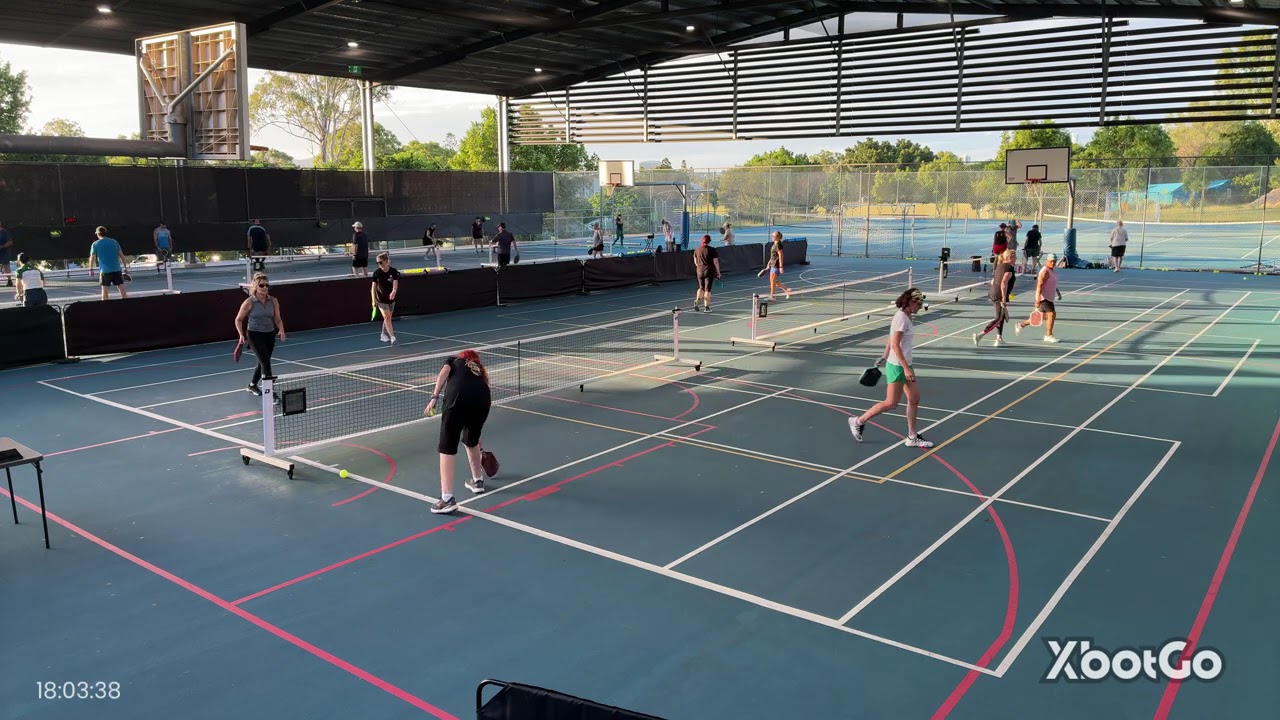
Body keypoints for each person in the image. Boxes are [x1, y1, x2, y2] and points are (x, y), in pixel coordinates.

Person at [849, 288, 934, 448]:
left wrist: (884, 355)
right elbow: (895, 343)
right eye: (918, 304)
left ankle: (912, 436)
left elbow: (891, 339)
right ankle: (858, 421)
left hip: (904, 364)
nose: (920, 307)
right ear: (909, 302)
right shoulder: (902, 317)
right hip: (898, 366)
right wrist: (905, 368)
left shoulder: (906, 315)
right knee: (891, 403)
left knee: (914, 398)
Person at [424, 349, 493, 514]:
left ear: (462, 356)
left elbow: (444, 373)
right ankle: (477, 481)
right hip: (483, 400)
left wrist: (434, 397)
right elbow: (475, 394)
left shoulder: (453, 361)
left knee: (447, 448)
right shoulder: (479, 372)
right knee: (472, 440)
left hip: (457, 398)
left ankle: (447, 499)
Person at [235, 272, 286, 396]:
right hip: (254, 334)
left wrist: (281, 330)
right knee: (265, 362)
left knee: (263, 361)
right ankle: (270, 393)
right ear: (256, 287)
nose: (265, 288)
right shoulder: (249, 302)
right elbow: (238, 319)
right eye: (262, 285)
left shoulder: (273, 301)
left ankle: (252, 385)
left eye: (267, 285)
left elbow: (277, 318)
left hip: (269, 334)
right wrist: (241, 335)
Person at [974, 248, 1017, 347]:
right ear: (1010, 257)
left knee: (1001, 316)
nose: (1016, 259)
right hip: (999, 294)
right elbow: (1003, 283)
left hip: (993, 292)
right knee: (999, 318)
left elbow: (993, 281)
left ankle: (999, 338)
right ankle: (980, 335)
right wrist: (1003, 299)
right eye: (1015, 257)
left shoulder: (999, 266)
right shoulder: (1009, 268)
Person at [1016, 253, 1061, 343]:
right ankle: (1048, 335)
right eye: (1051, 261)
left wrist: (1058, 292)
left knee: (1042, 316)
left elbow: (1052, 283)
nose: (1053, 263)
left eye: (1054, 261)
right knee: (1051, 314)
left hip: (1050, 297)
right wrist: (1037, 299)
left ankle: (1021, 324)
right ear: (1047, 261)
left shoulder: (1052, 271)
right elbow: (1039, 285)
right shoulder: (1045, 272)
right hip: (1044, 298)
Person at [88, 226, 129, 300]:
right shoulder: (114, 242)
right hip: (116, 269)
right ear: (105, 233)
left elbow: (92, 258)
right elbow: (122, 256)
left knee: (105, 290)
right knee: (121, 288)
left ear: (97, 234)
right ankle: (127, 305)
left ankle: (105, 307)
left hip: (105, 271)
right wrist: (125, 268)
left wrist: (90, 269)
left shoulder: (95, 244)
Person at [371, 251, 400, 344]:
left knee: (388, 318)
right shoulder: (376, 273)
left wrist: (394, 291)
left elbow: (395, 283)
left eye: (380, 262)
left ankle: (383, 334)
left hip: (391, 299)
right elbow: (373, 288)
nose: (379, 264)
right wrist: (373, 300)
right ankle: (392, 337)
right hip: (380, 300)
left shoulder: (393, 271)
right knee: (387, 317)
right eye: (377, 263)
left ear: (386, 261)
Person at [692, 234, 721, 312]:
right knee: (707, 290)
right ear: (709, 241)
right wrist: (718, 272)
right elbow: (715, 262)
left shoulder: (697, 250)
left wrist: (699, 266)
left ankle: (697, 301)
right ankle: (707, 307)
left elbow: (695, 261)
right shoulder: (712, 250)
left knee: (701, 288)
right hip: (709, 271)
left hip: (699, 271)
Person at [766, 231, 792, 300]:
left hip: (776, 265)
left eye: (773, 236)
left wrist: (781, 267)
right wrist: (769, 263)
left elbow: (781, 255)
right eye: (772, 235)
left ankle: (772, 296)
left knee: (773, 281)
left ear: (777, 237)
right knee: (773, 281)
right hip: (773, 264)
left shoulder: (778, 245)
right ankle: (787, 290)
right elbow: (773, 255)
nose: (772, 237)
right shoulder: (775, 244)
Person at [0, 219, 15, 292]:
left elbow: (10, 242)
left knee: (6, 266)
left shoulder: (5, 232)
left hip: (4, 252)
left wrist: (1, 247)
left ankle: (9, 281)